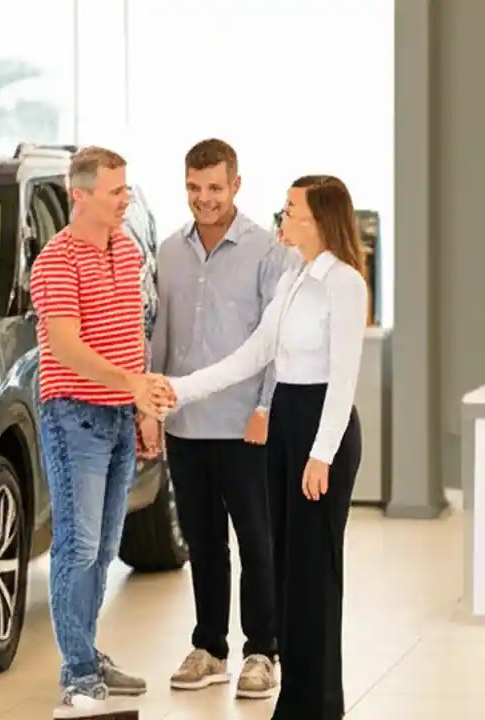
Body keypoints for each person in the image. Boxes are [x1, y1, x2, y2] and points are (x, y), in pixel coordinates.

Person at [153, 174, 368, 720]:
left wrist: (321, 454)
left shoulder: (342, 284)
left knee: (315, 572)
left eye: (292, 208)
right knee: (287, 566)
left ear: (319, 219)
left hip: (323, 428)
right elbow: (249, 356)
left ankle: (319, 705)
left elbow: (344, 380)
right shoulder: (294, 277)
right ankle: (296, 700)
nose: (282, 215)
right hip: (288, 423)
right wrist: (179, 389)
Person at [150, 139, 295, 699]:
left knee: (258, 543)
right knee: (203, 543)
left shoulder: (267, 250)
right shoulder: (167, 251)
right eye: (193, 187)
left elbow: (275, 341)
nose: (203, 199)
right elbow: (162, 334)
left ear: (236, 184)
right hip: (186, 427)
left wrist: (265, 408)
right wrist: (154, 405)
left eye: (214, 187)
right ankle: (209, 647)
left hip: (244, 427)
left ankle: (263, 650)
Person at [30, 146, 161, 715]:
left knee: (106, 546)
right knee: (78, 546)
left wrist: (144, 406)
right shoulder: (56, 262)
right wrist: (128, 387)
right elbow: (65, 347)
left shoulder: (126, 249)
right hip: (73, 416)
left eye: (126, 189)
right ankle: (77, 673)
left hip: (116, 417)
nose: (125, 199)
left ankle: (88, 656)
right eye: (115, 191)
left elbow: (133, 333)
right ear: (79, 194)